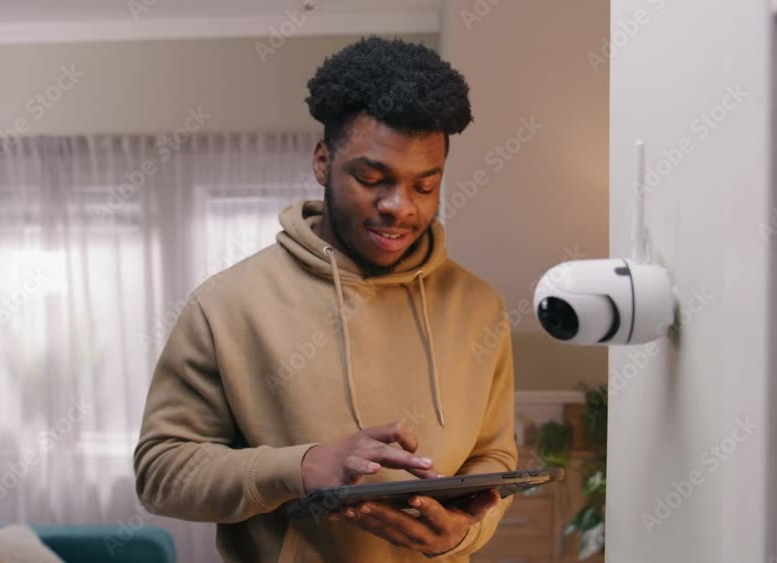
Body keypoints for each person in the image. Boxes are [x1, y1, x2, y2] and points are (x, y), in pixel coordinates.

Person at [134, 36, 518, 562]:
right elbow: (161, 472)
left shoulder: (479, 306)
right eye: (371, 178)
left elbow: (492, 455)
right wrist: (302, 466)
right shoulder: (227, 305)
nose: (398, 207)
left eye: (425, 186)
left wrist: (461, 534)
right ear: (322, 161)